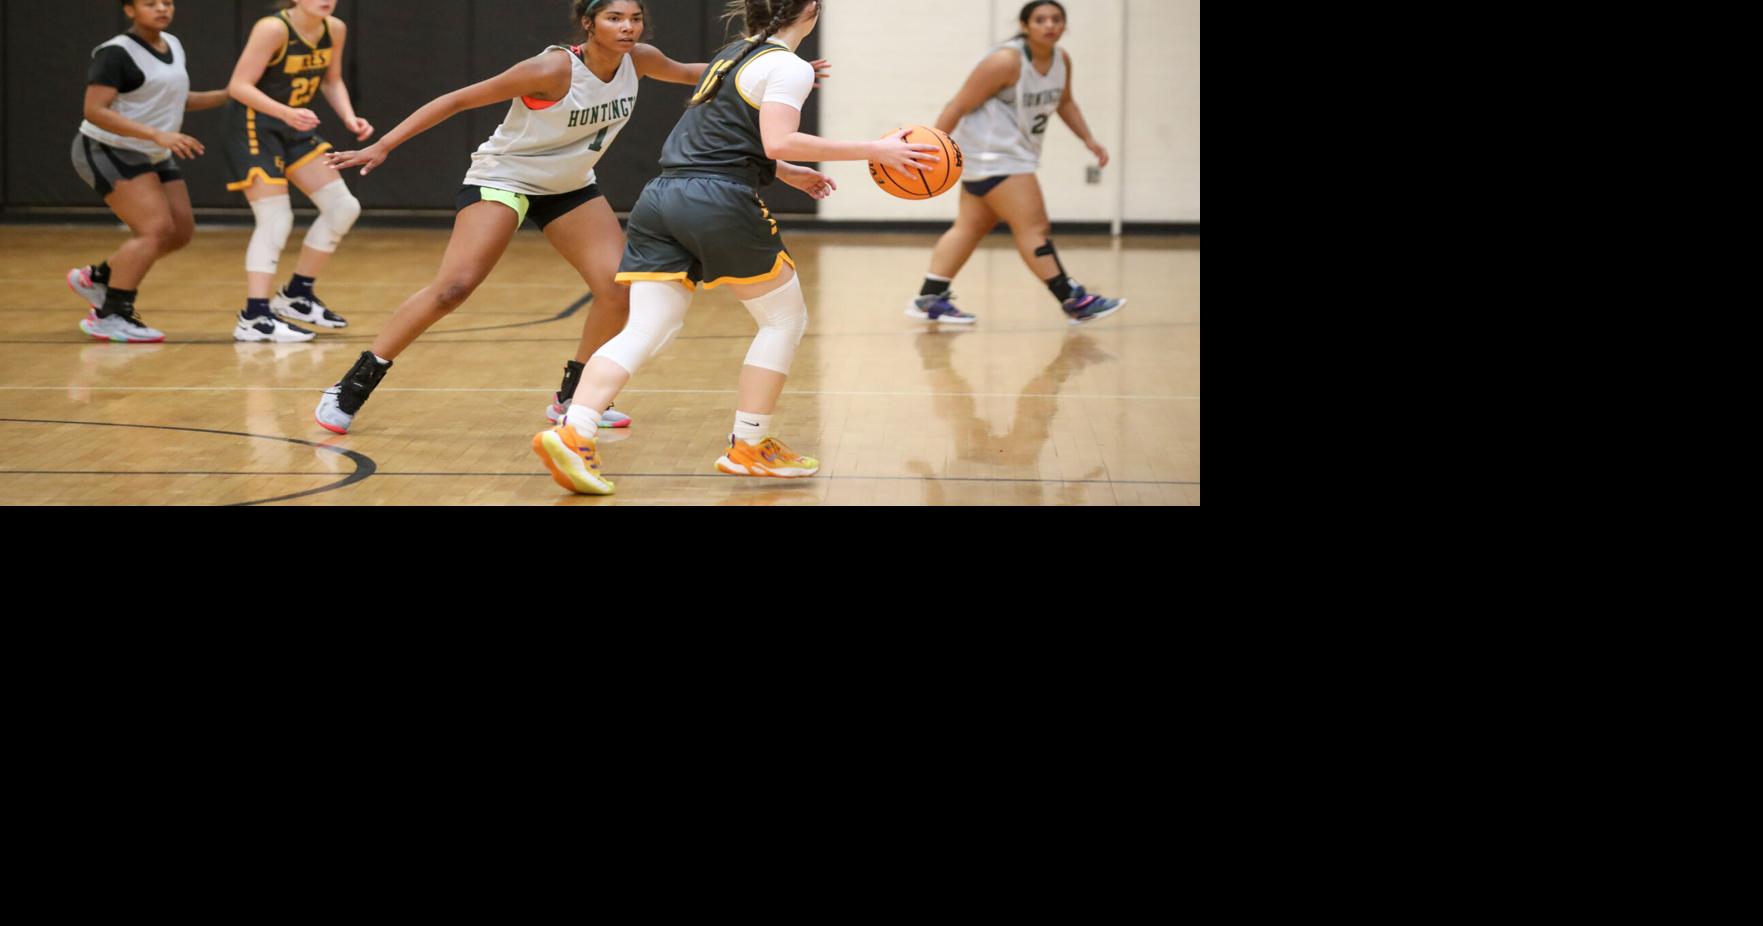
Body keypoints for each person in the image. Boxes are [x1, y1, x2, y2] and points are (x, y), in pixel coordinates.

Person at [532, 0, 939, 495]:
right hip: (717, 199)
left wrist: (781, 173)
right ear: (811, 10)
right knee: (783, 319)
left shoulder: (733, 54)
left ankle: (575, 430)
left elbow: (721, 134)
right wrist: (876, 149)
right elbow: (779, 140)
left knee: (647, 326)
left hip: (662, 196)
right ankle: (749, 443)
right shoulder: (787, 65)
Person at [313, 0, 734, 435]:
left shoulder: (640, 60)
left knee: (616, 288)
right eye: (614, 18)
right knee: (454, 288)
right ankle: (353, 384)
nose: (628, 27)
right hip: (505, 179)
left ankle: (576, 396)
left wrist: (760, 63)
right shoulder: (550, 69)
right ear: (588, 24)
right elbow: (456, 100)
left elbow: (693, 73)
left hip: (569, 186)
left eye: (635, 18)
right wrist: (383, 145)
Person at [908, 0, 1124, 325]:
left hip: (1003, 157)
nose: (1049, 25)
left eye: (1056, 19)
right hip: (995, 157)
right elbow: (957, 105)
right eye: (1040, 20)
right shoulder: (1005, 61)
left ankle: (930, 297)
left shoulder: (1061, 60)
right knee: (1035, 228)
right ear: (1025, 26)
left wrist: (1088, 139)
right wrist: (933, 149)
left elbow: (1065, 102)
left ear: (1064, 25)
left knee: (970, 227)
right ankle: (1073, 299)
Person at [67, 0, 229, 343]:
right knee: (154, 229)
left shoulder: (173, 44)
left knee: (179, 231)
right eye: (150, 3)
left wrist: (229, 95)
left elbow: (175, 98)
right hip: (107, 148)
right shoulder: (115, 53)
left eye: (167, 2)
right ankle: (111, 315)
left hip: (151, 150)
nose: (161, 8)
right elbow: (94, 110)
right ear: (129, 10)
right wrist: (157, 134)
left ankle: (99, 277)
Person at [223, 0, 372, 342]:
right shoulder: (273, 28)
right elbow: (239, 86)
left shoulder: (335, 28)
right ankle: (254, 316)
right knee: (275, 217)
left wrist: (349, 117)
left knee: (343, 207)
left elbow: (332, 81)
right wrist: (285, 112)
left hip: (292, 126)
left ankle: (297, 295)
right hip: (253, 126)